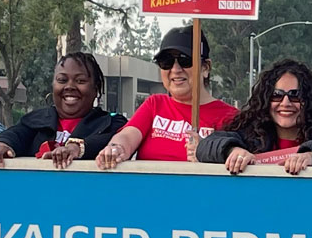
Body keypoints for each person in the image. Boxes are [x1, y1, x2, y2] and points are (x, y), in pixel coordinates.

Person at [95, 26, 236, 165]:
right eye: (166, 62)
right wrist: (117, 148)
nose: (175, 70)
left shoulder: (231, 116)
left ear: (205, 68)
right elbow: (128, 135)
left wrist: (207, 151)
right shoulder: (155, 104)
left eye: (185, 60)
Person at [195, 58, 312, 174]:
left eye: (295, 95)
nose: (285, 103)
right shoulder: (249, 136)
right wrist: (232, 150)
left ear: (310, 100)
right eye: (277, 95)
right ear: (265, 100)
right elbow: (206, 145)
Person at [0, 52, 125, 168]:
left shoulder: (112, 123)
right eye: (62, 80)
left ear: (96, 88)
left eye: (80, 81)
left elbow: (111, 142)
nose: (70, 86)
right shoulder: (35, 119)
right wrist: (2, 144)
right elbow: (16, 134)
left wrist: (76, 148)